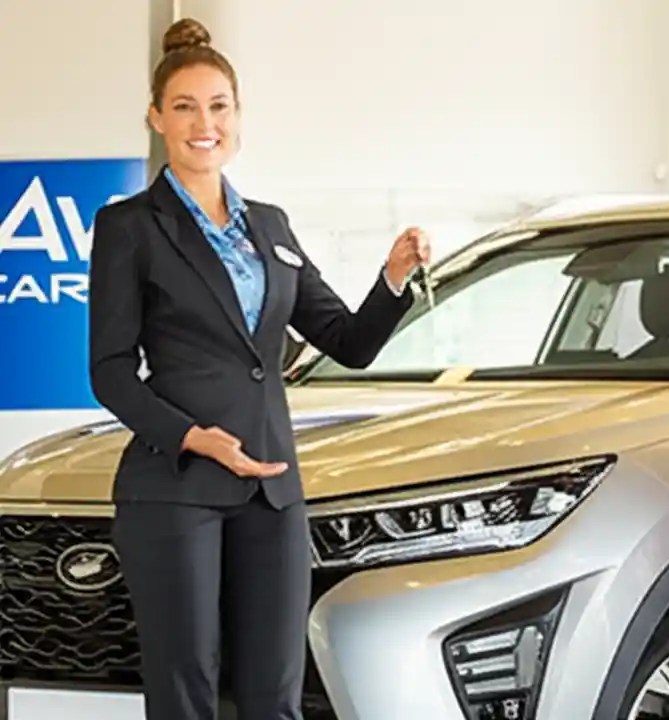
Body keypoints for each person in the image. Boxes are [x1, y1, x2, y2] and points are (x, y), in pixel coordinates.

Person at [86, 18, 429, 720]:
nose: (202, 123)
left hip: (274, 492)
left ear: (237, 118)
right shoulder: (129, 227)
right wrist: (193, 437)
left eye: (218, 106)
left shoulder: (269, 226)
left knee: (276, 694)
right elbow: (111, 372)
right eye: (184, 107)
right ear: (157, 118)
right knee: (187, 696)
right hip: (177, 489)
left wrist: (392, 279)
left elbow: (346, 340)